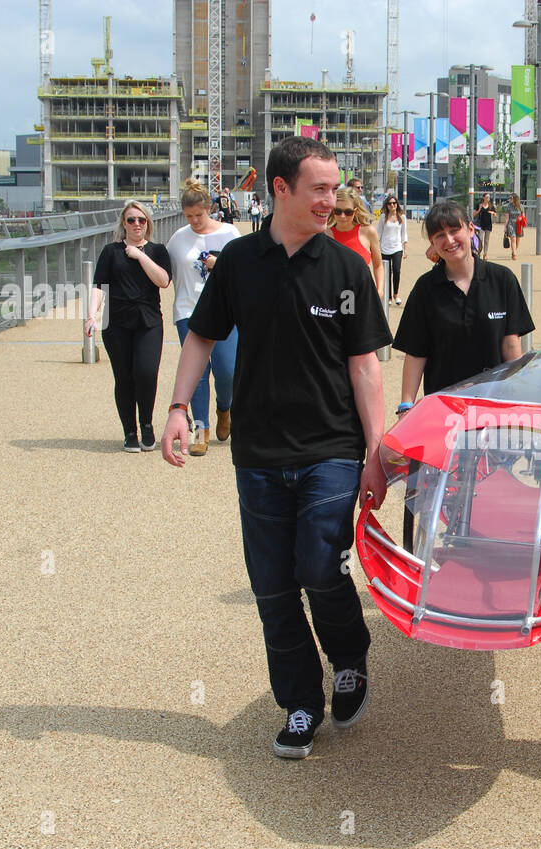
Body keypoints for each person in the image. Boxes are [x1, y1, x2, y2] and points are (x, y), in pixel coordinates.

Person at [160, 136, 392, 760]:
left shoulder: (345, 267)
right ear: (281, 188)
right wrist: (180, 408)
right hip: (259, 457)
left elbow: (365, 366)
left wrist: (376, 449)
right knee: (272, 588)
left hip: (332, 449)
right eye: (319, 188)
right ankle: (298, 705)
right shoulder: (239, 263)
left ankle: (348, 654)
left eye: (335, 188)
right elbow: (201, 338)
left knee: (320, 566)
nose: (332, 200)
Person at [393, 200, 534, 407]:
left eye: (454, 230)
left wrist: (520, 400)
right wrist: (406, 405)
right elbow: (415, 353)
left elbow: (511, 346)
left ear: (470, 229)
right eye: (440, 235)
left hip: (493, 405)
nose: (449, 240)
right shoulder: (426, 288)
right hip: (444, 408)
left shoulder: (502, 280)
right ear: (432, 242)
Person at [85, 200, 172, 452]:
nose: (136, 224)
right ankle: (129, 431)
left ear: (148, 223)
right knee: (124, 378)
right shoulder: (110, 252)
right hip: (117, 323)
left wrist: (139, 255)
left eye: (141, 220)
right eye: (131, 220)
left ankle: (146, 424)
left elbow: (163, 280)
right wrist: (91, 316)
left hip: (148, 321)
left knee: (146, 373)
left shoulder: (157, 251)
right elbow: (99, 286)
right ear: (123, 224)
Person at [166, 178, 240, 455]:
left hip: (225, 311)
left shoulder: (230, 234)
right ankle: (201, 430)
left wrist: (218, 264)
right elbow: (165, 268)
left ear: (210, 208)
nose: (195, 221)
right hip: (189, 311)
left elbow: (243, 270)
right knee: (196, 373)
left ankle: (225, 408)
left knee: (227, 370)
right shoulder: (178, 239)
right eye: (189, 216)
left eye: (199, 215)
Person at [326, 186, 384, 298]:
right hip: (333, 298)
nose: (342, 216)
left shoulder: (368, 232)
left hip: (362, 296)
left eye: (348, 212)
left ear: (356, 211)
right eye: (338, 211)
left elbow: (378, 265)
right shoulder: (325, 234)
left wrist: (379, 290)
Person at [378, 194, 408, 305]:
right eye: (390, 203)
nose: (392, 205)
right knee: (387, 273)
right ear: (387, 205)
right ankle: (389, 297)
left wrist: (405, 249)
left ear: (397, 204)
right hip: (384, 248)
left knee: (396, 270)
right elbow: (379, 233)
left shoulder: (402, 217)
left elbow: (404, 234)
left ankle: (396, 294)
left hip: (397, 248)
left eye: (394, 203)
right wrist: (376, 248)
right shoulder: (383, 217)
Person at [473, 193, 495, 259]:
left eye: (489, 197)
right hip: (480, 225)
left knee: (486, 240)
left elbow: (495, 215)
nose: (488, 198)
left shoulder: (491, 206)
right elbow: (473, 215)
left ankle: (485, 254)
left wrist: (493, 213)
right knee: (480, 239)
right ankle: (479, 252)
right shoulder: (479, 205)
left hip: (488, 225)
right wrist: (479, 209)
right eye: (487, 196)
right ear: (483, 198)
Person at [503, 192, 523, 260]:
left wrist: (521, 218)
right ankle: (514, 254)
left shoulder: (520, 206)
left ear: (515, 198)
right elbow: (507, 218)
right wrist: (505, 227)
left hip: (519, 224)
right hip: (511, 223)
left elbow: (523, 215)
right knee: (513, 239)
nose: (510, 199)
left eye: (511, 198)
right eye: (510, 198)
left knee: (517, 240)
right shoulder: (508, 206)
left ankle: (514, 251)